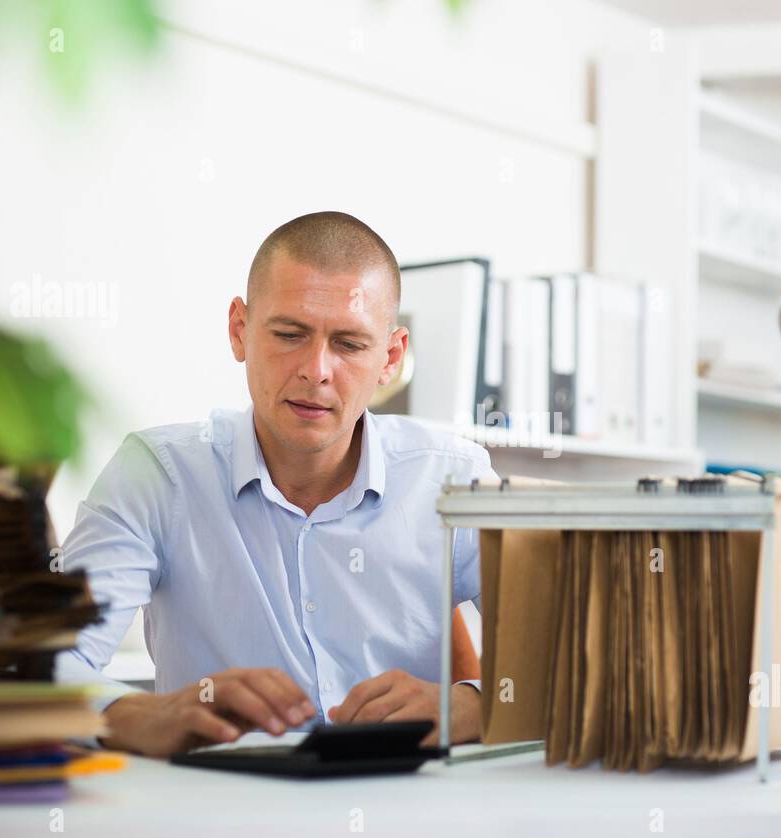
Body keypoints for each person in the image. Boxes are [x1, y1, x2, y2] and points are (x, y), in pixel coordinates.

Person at [57, 211, 495, 756]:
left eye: (351, 345)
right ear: (239, 330)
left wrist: (477, 704)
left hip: (406, 811)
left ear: (391, 357)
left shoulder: (454, 479)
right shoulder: (156, 474)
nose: (316, 369)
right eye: (290, 334)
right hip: (216, 819)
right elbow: (48, 665)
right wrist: (133, 714)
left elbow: (569, 657)